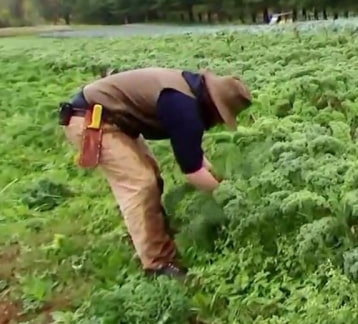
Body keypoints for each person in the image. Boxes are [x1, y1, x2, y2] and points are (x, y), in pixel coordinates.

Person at [58, 67, 252, 280]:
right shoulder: (183, 107)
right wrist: (228, 195)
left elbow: (195, 157)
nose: (217, 124)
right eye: (221, 117)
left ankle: (151, 236)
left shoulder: (187, 93)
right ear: (214, 107)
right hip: (92, 120)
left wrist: (215, 177)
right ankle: (158, 265)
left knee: (151, 175)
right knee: (141, 184)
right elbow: (193, 171)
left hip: (113, 120)